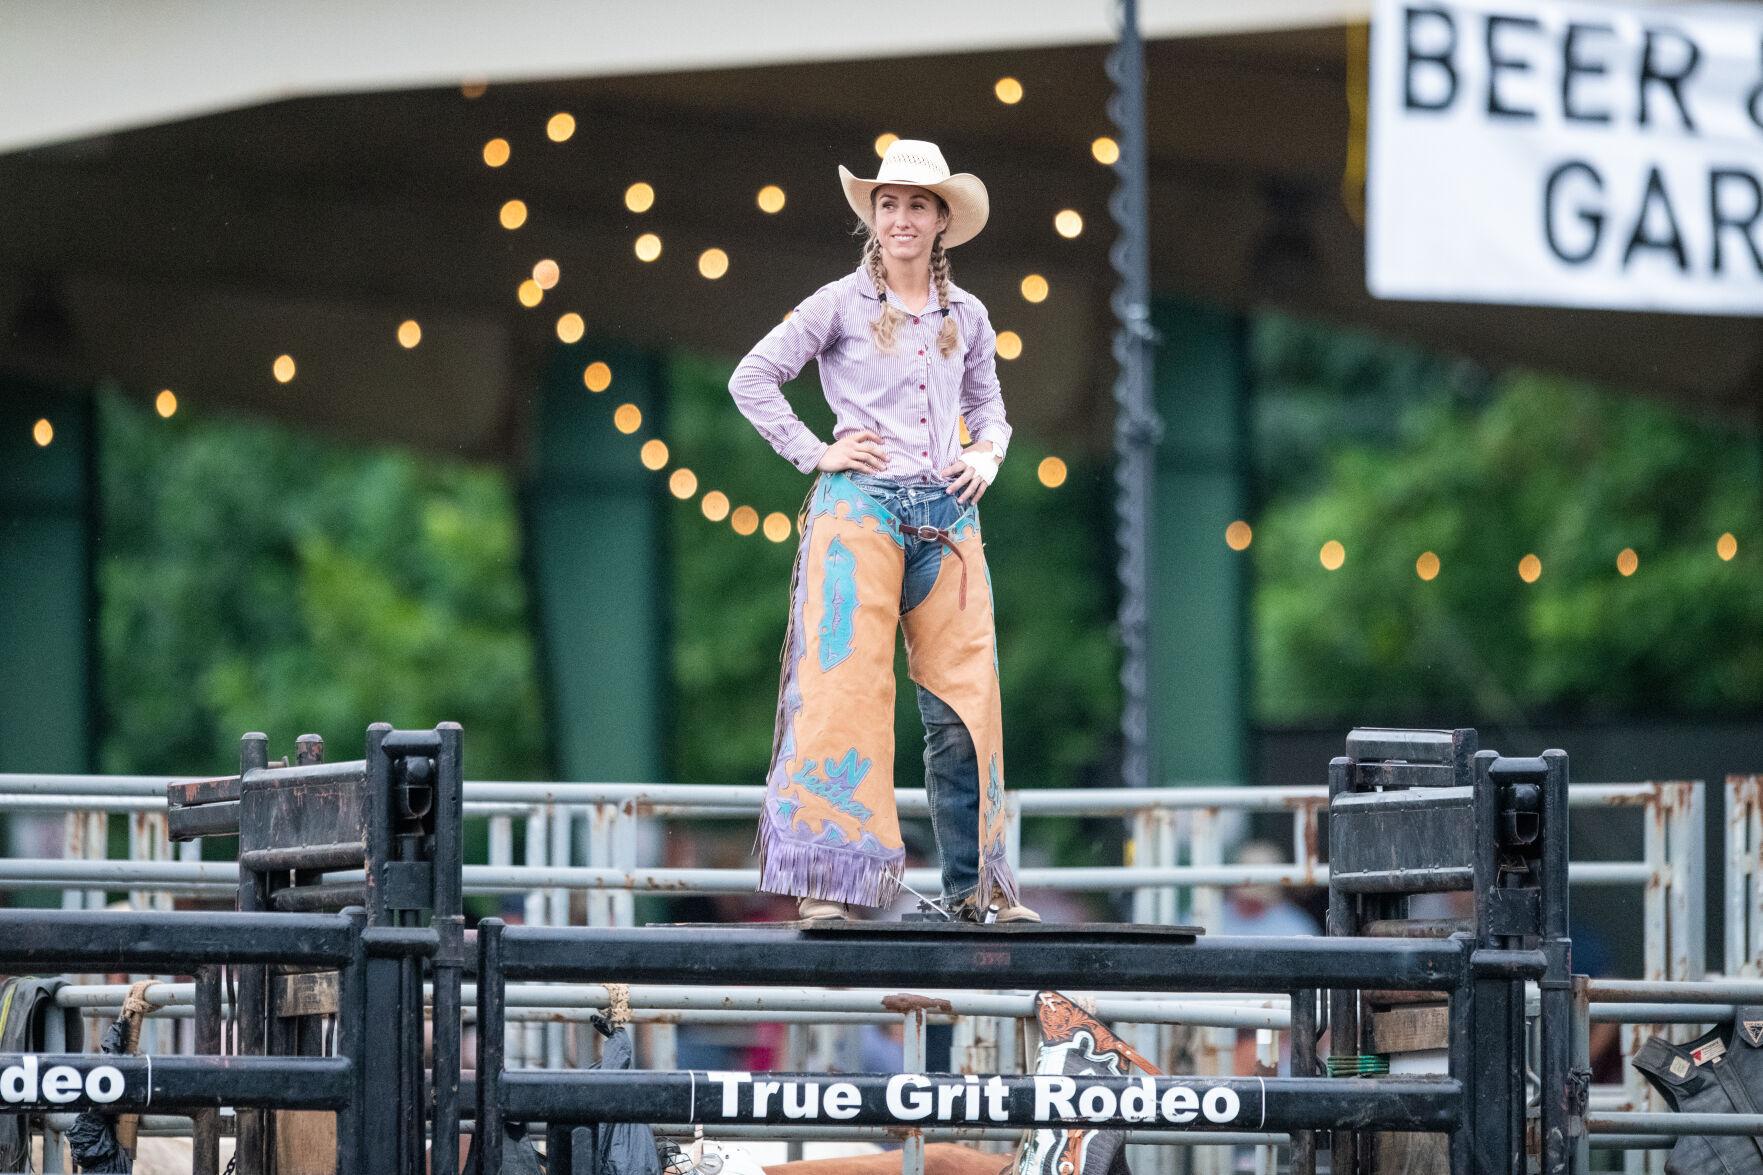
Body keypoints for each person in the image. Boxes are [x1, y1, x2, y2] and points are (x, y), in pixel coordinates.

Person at [728, 139, 1036, 924]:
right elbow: (751, 377)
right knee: (843, 693)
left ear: (941, 221)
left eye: (916, 205)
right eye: (888, 203)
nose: (900, 217)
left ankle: (977, 891)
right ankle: (828, 890)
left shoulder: (967, 315)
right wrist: (815, 451)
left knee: (966, 706)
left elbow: (990, 407)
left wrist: (988, 454)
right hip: (858, 508)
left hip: (948, 513)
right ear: (873, 215)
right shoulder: (836, 302)